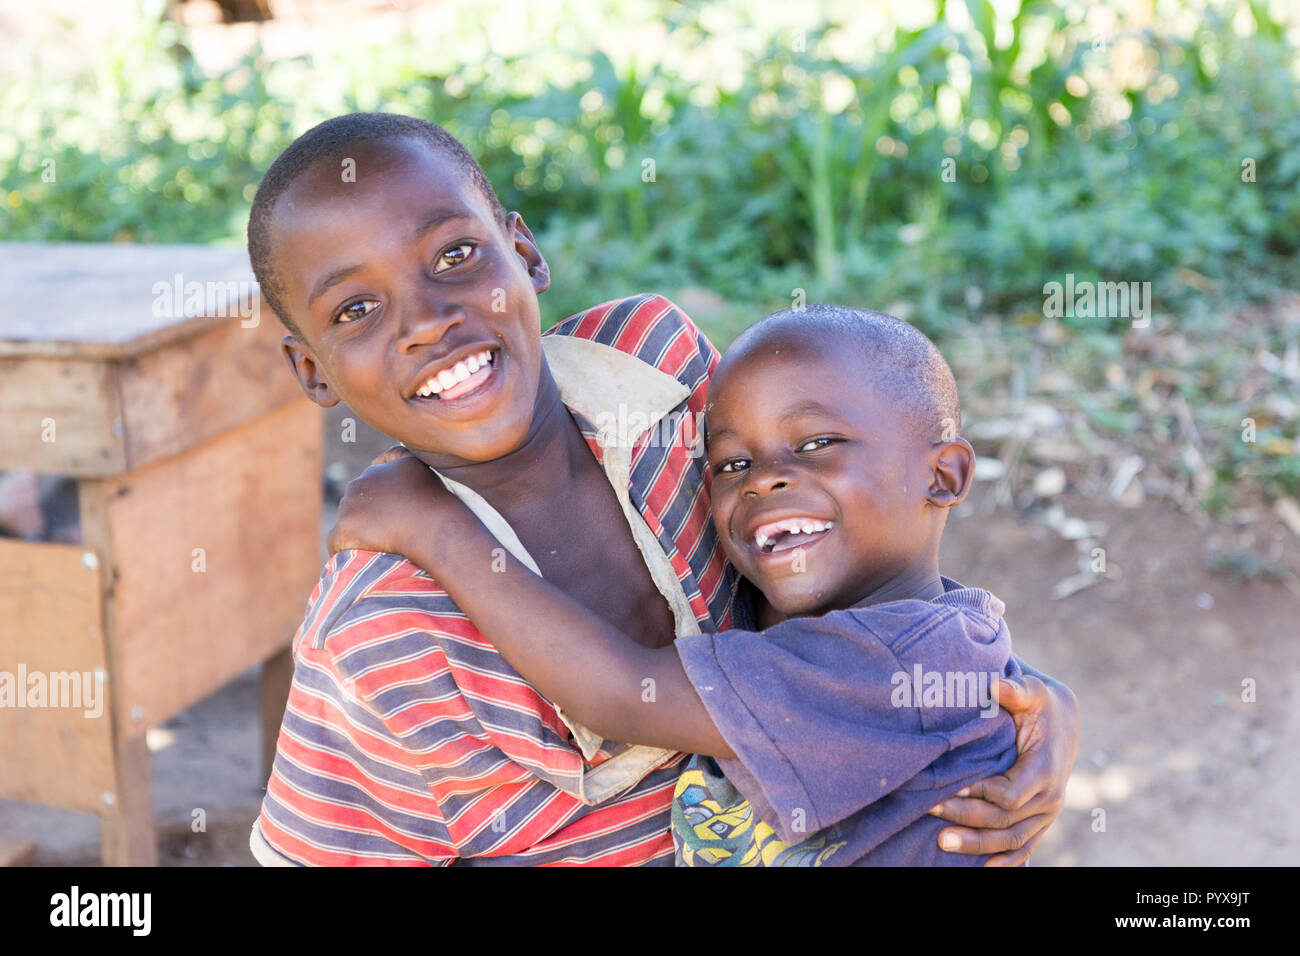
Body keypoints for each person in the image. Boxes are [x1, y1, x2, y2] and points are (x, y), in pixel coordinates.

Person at [246, 111, 1079, 865]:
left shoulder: (662, 372)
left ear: (525, 252)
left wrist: (1013, 698)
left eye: (455, 257)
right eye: (355, 309)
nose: (426, 319)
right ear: (312, 369)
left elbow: (854, 561)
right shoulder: (375, 636)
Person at [330, 304, 1037, 865]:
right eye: (731, 464)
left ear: (943, 475)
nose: (766, 478)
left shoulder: (893, 662)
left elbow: (620, 694)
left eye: (818, 444)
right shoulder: (905, 639)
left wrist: (438, 532)